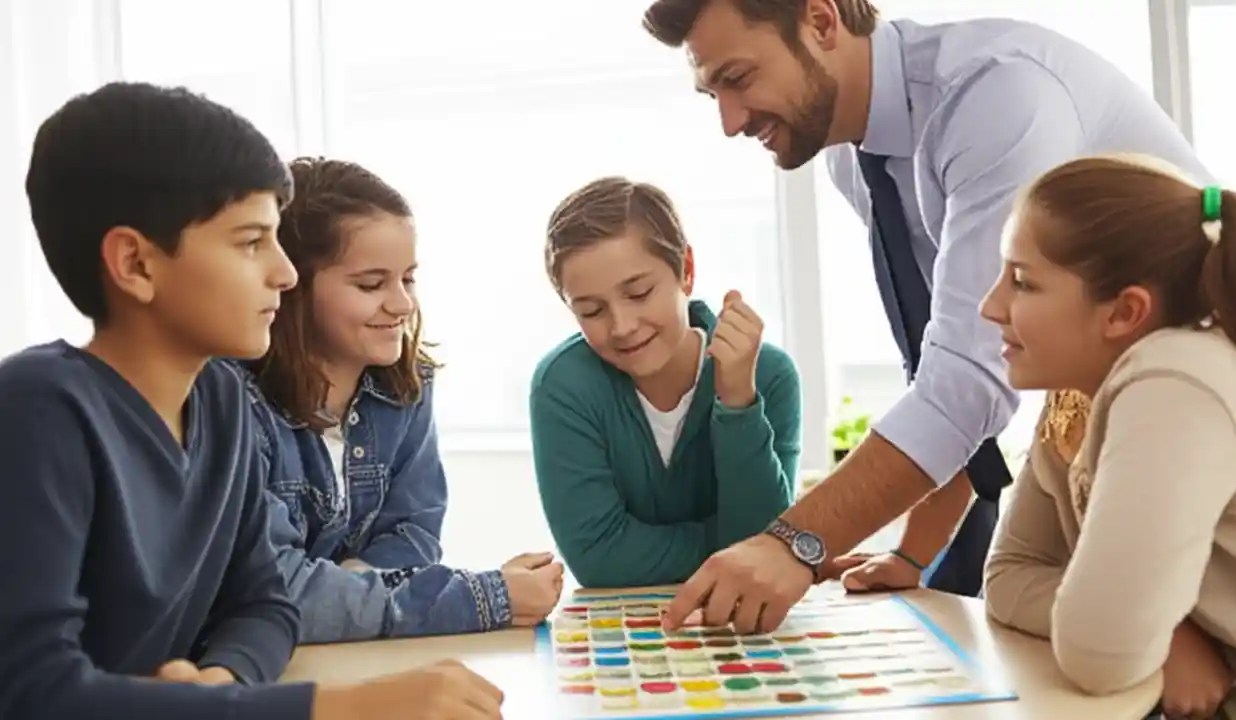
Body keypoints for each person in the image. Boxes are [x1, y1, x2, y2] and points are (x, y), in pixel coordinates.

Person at [642, 0, 1212, 630]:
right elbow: (954, 357)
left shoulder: (995, 98)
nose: (729, 122)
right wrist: (915, 551)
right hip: (1094, 432)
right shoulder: (850, 156)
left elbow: (971, 378)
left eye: (739, 79)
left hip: (1199, 434)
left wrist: (794, 543)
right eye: (711, 92)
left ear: (822, 20)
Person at [0, 81, 502, 720]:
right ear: (135, 264)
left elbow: (263, 604)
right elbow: (32, 690)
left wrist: (223, 680)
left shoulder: (219, 399)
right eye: (250, 241)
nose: (285, 273)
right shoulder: (39, 410)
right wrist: (337, 709)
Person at [982, 154, 1236, 720]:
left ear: (1123, 312)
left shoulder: (1178, 383)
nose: (990, 306)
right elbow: (1009, 573)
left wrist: (1141, 629)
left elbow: (1103, 654)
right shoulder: (1077, 394)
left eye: (1022, 281)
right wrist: (1171, 634)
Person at [244, 156, 563, 643]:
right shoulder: (239, 406)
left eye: (407, 278)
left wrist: (354, 595)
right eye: (372, 284)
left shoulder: (407, 388)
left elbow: (414, 534)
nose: (402, 303)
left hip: (356, 659)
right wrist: (482, 598)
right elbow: (277, 592)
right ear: (292, 287)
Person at [530, 176, 802, 587]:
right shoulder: (563, 387)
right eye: (591, 311)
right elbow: (598, 559)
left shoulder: (769, 375)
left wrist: (737, 404)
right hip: (618, 636)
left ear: (686, 271)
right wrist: (734, 544)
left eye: (638, 293)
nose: (621, 326)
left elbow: (766, 553)